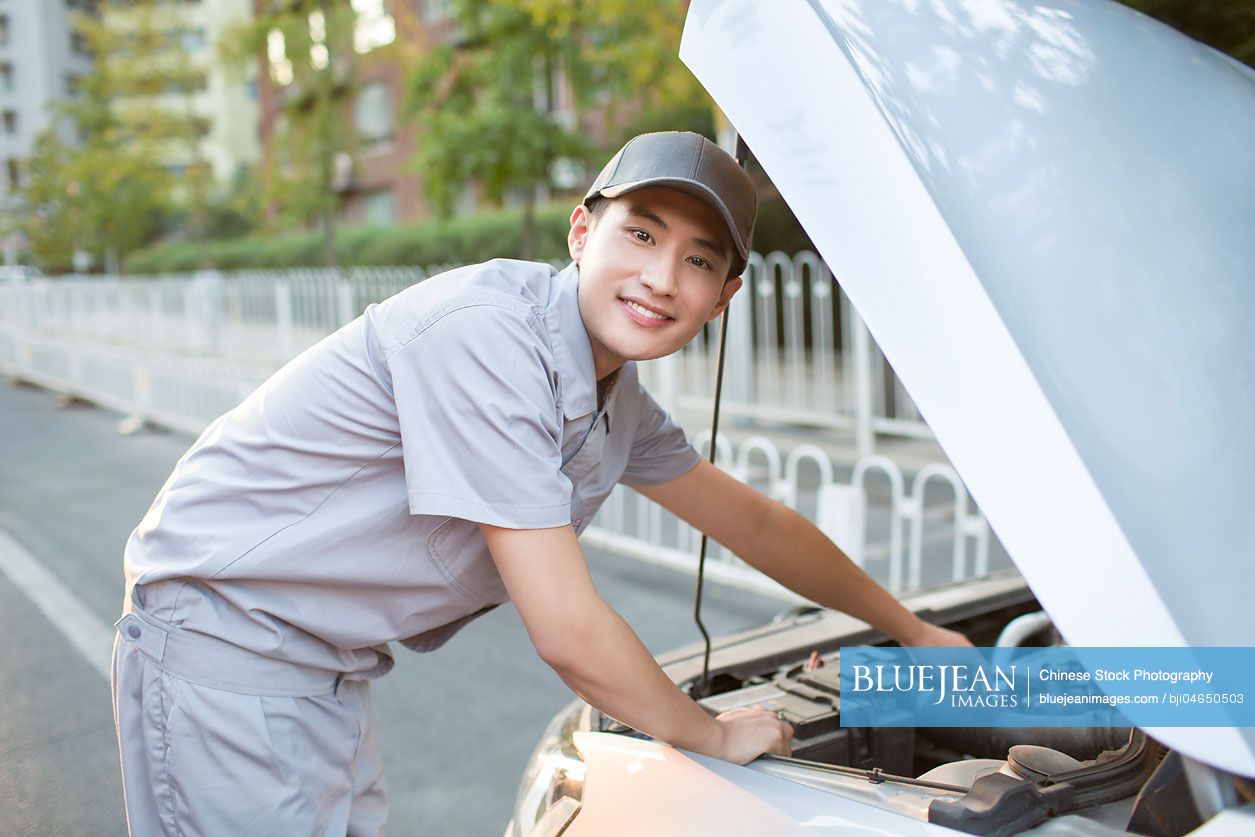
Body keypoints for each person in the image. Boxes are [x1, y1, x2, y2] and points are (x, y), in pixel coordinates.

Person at [112, 131, 969, 835]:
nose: (661, 278)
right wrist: (711, 732)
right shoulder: (485, 338)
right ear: (579, 232)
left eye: (698, 261)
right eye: (640, 233)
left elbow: (754, 523)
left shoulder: (614, 398)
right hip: (225, 648)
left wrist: (913, 629)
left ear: (725, 295)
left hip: (318, 670)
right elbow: (565, 628)